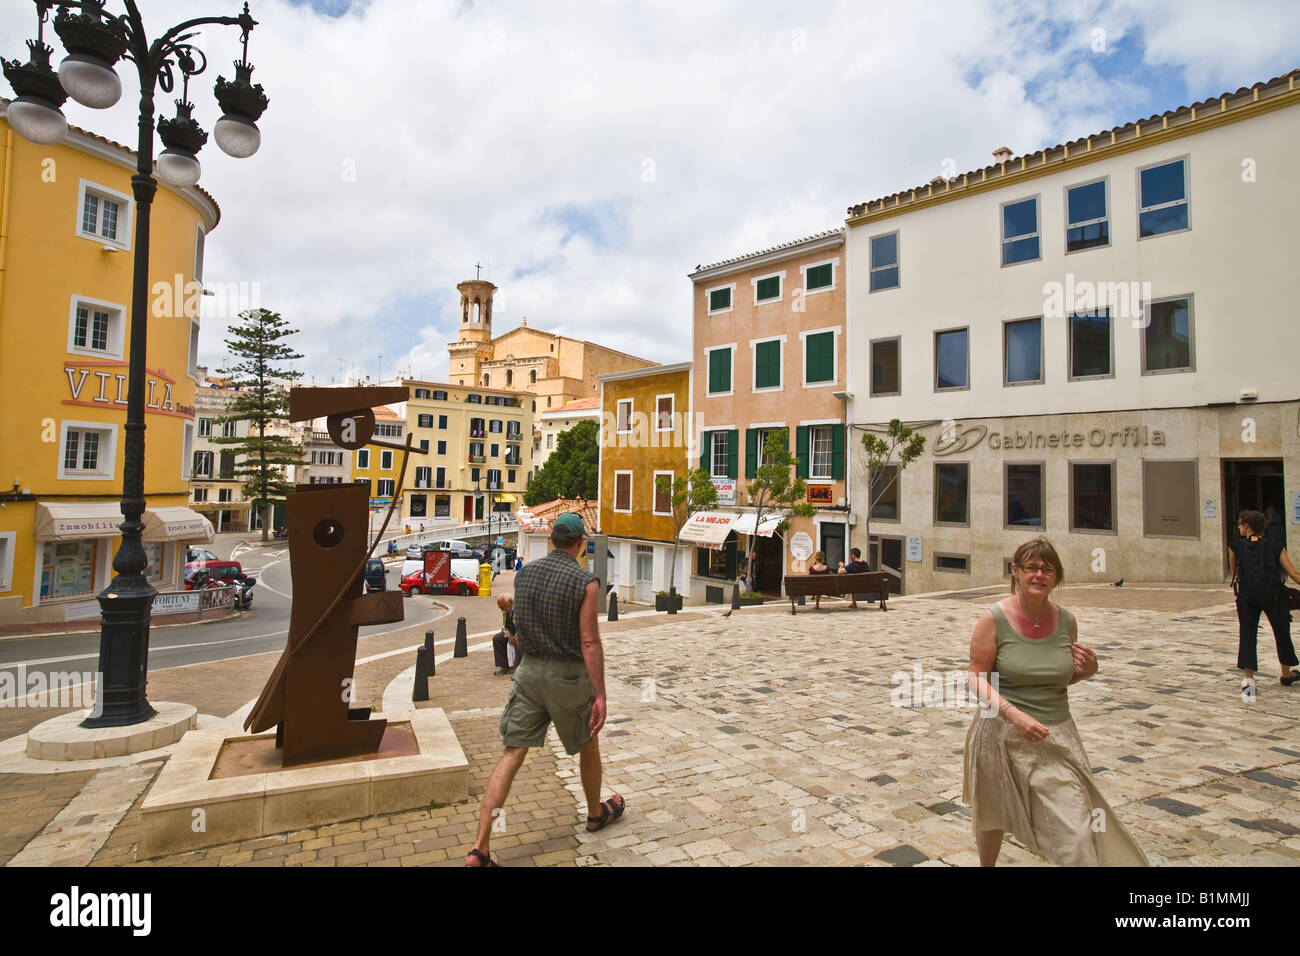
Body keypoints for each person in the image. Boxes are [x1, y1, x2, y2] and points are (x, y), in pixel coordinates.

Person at [963, 538, 1147, 866]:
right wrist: (1012, 713)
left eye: (1047, 569)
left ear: (1056, 577)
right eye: (1031, 567)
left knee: (1076, 827)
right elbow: (976, 676)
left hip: (1054, 735)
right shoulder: (993, 618)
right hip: (999, 732)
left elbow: (1056, 678)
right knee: (993, 816)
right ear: (1016, 572)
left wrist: (1087, 672)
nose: (1039, 575)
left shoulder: (1066, 621)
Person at [466, 512, 624, 866]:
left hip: (529, 672)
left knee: (512, 753)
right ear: (581, 544)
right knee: (588, 743)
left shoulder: (526, 575)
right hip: (567, 678)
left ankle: (480, 847)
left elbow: (517, 626)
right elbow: (588, 641)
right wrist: (600, 694)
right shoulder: (586, 582)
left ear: (552, 540)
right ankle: (595, 813)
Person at [1228, 509, 1300, 697]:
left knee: (1247, 634)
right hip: (1273, 596)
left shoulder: (1235, 546)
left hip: (1247, 597)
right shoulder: (1276, 545)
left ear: (1247, 526)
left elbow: (1234, 570)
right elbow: (1292, 573)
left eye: (1240, 524)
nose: (1238, 527)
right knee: (1281, 631)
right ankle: (1286, 674)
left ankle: (1249, 682)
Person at [492, 594, 519, 676]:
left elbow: (522, 626)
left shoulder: (518, 609)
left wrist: (515, 636)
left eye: (503, 607)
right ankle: (504, 666)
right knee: (497, 639)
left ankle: (516, 666)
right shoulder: (506, 611)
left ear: (510, 603)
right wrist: (509, 635)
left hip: (521, 633)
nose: (502, 610)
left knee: (518, 642)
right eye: (500, 608)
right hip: (511, 632)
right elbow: (505, 626)